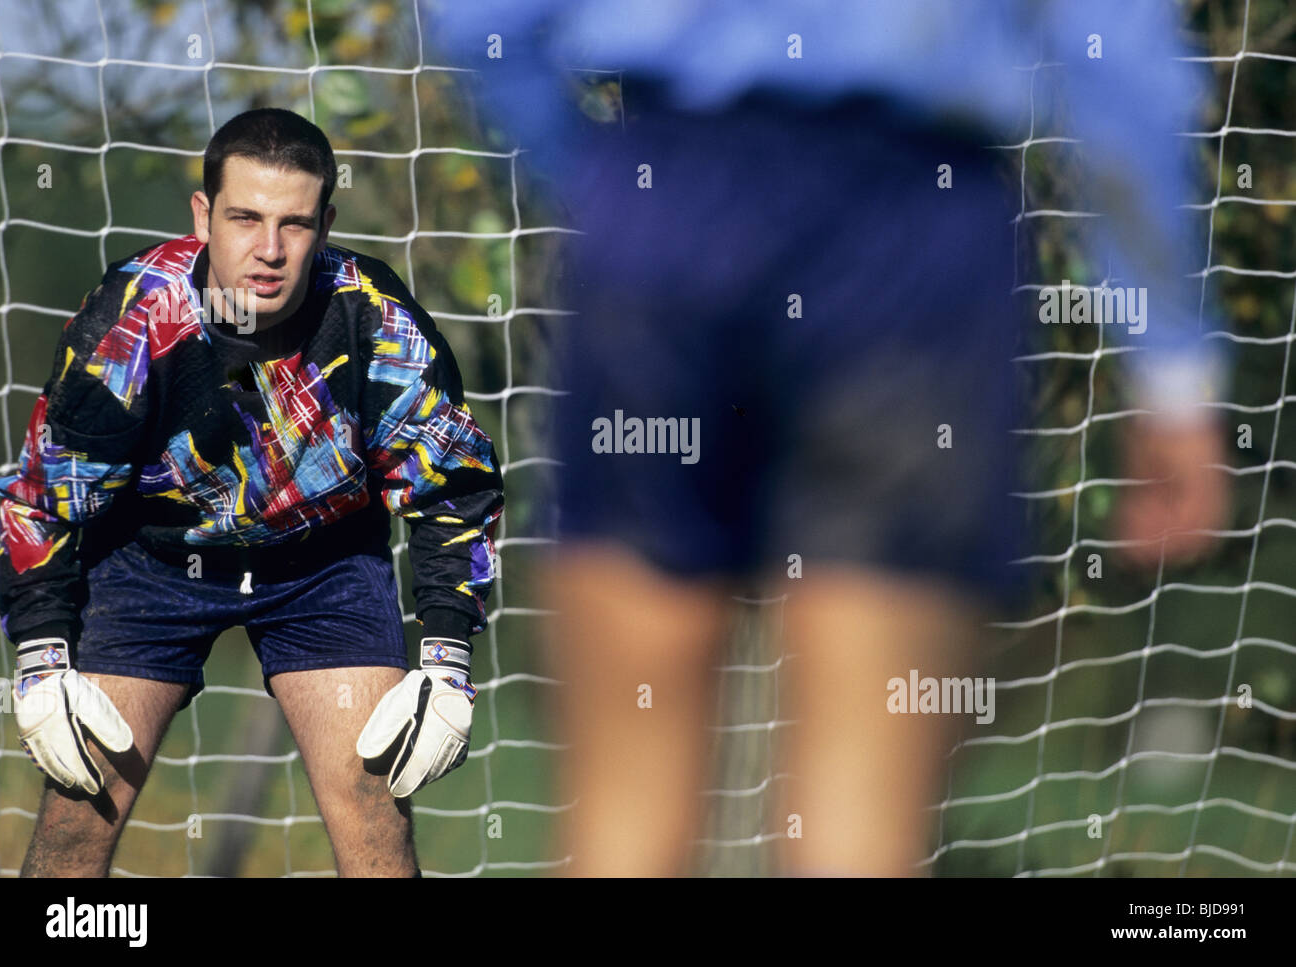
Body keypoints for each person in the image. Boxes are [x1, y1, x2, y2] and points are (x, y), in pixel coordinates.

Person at [431, 0, 1230, 874]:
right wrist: (1172, 366)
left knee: (622, 830)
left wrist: (594, 184)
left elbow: (477, 23)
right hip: (910, 231)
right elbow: (1113, 42)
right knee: (861, 840)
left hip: (664, 201)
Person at [0, 108, 503, 877]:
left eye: (295, 224)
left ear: (325, 224)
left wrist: (447, 652)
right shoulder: (134, 320)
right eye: (245, 217)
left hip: (323, 565)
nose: (268, 251)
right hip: (149, 562)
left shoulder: (372, 316)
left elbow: (453, 484)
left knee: (375, 810)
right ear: (203, 215)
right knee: (77, 810)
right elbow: (41, 498)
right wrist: (39, 655)